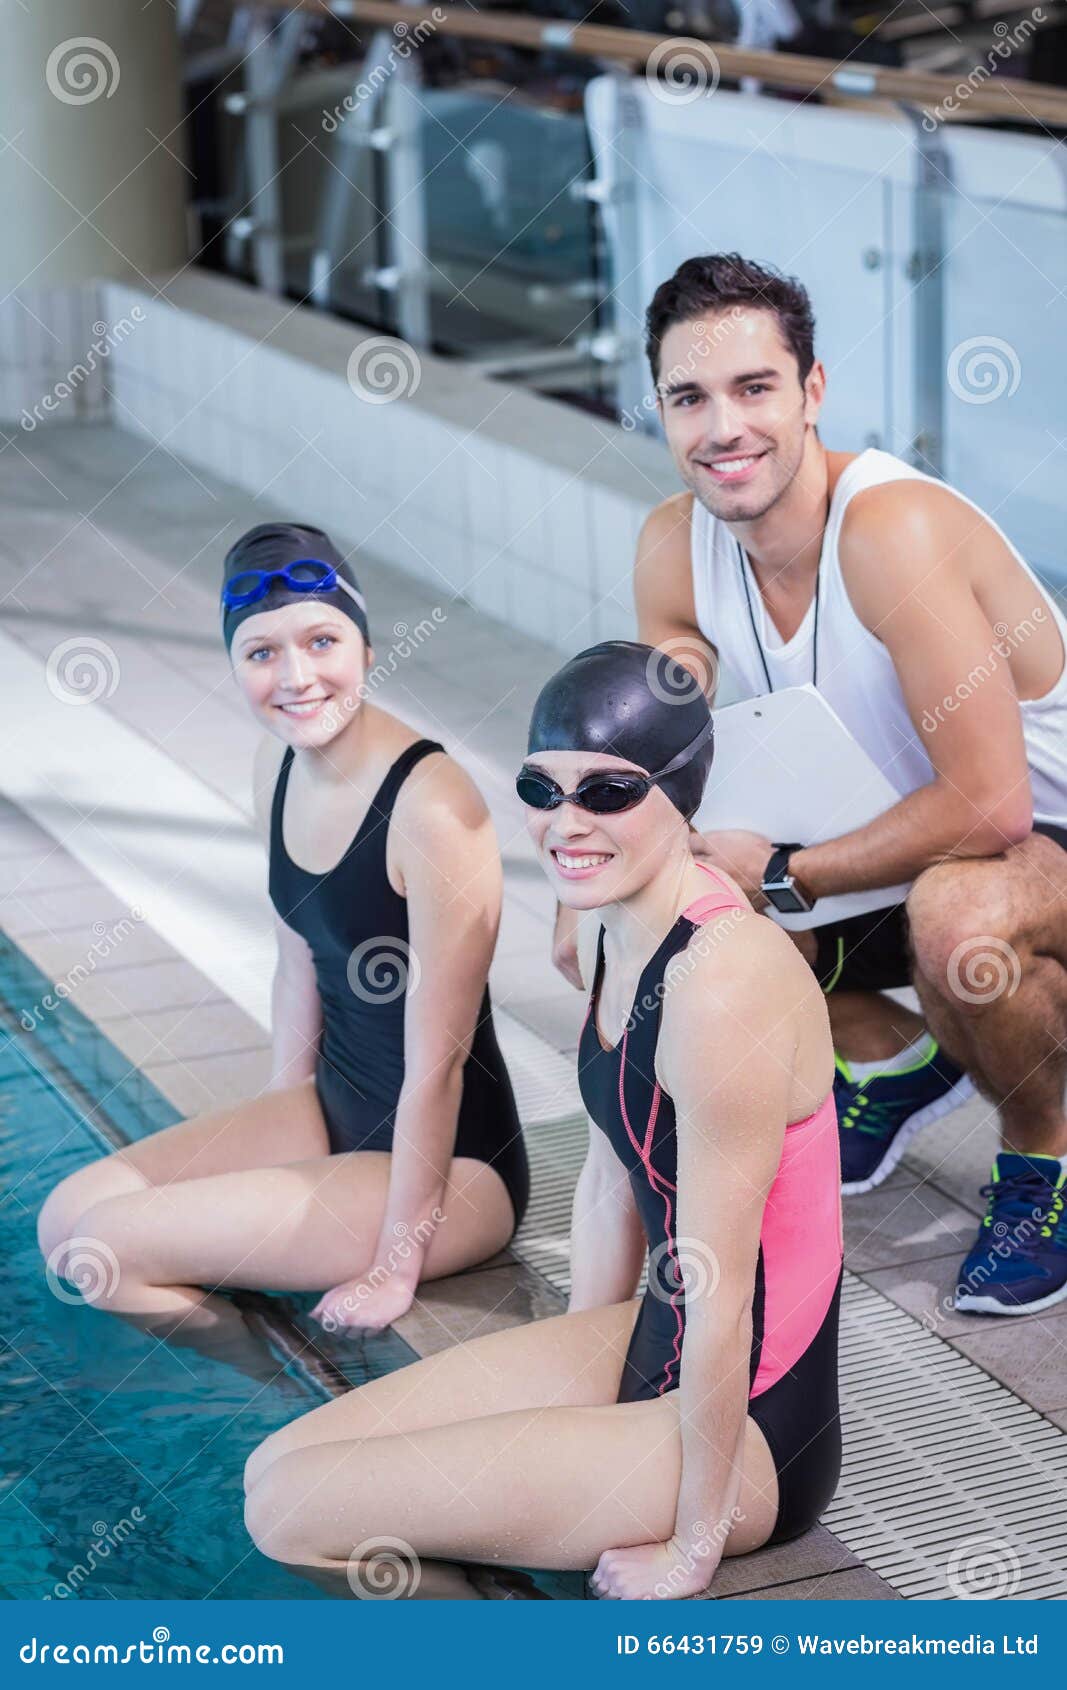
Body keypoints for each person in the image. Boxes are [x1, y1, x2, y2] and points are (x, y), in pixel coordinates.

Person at [242, 642, 842, 1601]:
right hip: (651, 1339)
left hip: (758, 1432)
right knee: (273, 1467)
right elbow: (610, 1176)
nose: (565, 824)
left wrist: (691, 1549)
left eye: (606, 793)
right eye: (540, 788)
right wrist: (573, 1380)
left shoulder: (725, 985)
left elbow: (722, 1294)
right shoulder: (611, 918)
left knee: (293, 1514)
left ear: (681, 796)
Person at [555, 252, 1067, 1318]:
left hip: (1038, 836)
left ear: (811, 393)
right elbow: (659, 751)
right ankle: (892, 1057)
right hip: (914, 828)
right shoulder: (673, 547)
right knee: (675, 904)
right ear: (656, 408)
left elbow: (989, 806)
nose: (722, 428)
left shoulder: (889, 532)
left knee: (955, 919)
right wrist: (598, 875)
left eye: (754, 389)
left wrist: (783, 872)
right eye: (689, 398)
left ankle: (1043, 1159)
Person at [37, 522, 529, 1351]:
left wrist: (395, 1262)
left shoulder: (434, 810)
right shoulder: (278, 766)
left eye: (322, 640)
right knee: (67, 1221)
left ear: (368, 648)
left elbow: (439, 1064)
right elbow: (296, 956)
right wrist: (281, 1105)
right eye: (261, 653)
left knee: (106, 1251)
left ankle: (264, 1398)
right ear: (234, 667)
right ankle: (261, 1371)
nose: (296, 678)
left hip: (455, 1170)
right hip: (329, 1110)